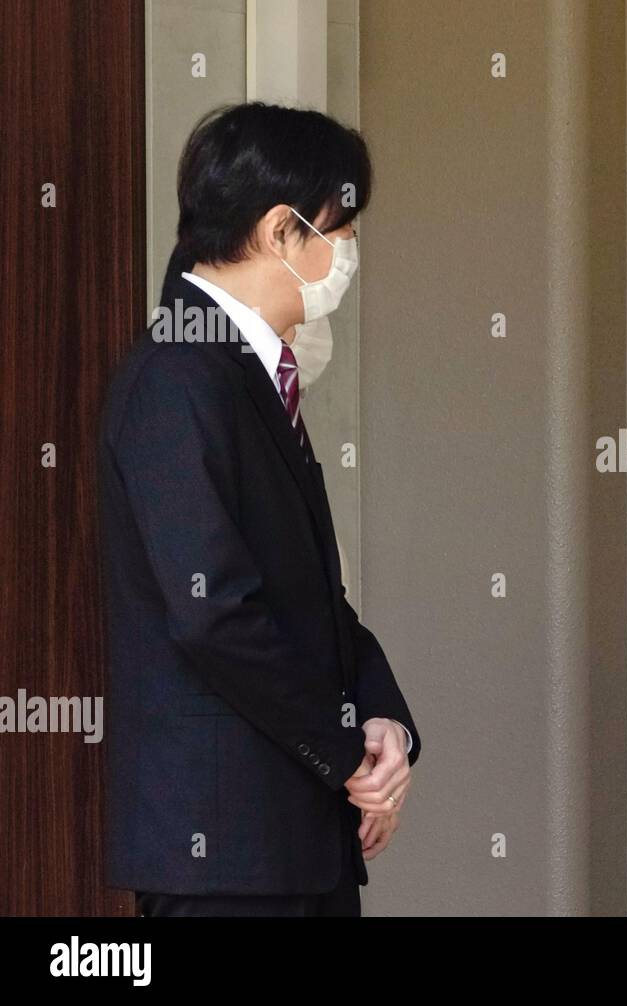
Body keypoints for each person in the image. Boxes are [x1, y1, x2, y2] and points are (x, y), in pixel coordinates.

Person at [98, 102, 419, 916]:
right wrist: (345, 753)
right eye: (340, 230)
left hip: (287, 842)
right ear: (283, 233)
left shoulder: (245, 370)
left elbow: (310, 593)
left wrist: (382, 718)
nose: (349, 253)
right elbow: (217, 616)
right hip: (226, 856)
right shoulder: (179, 377)